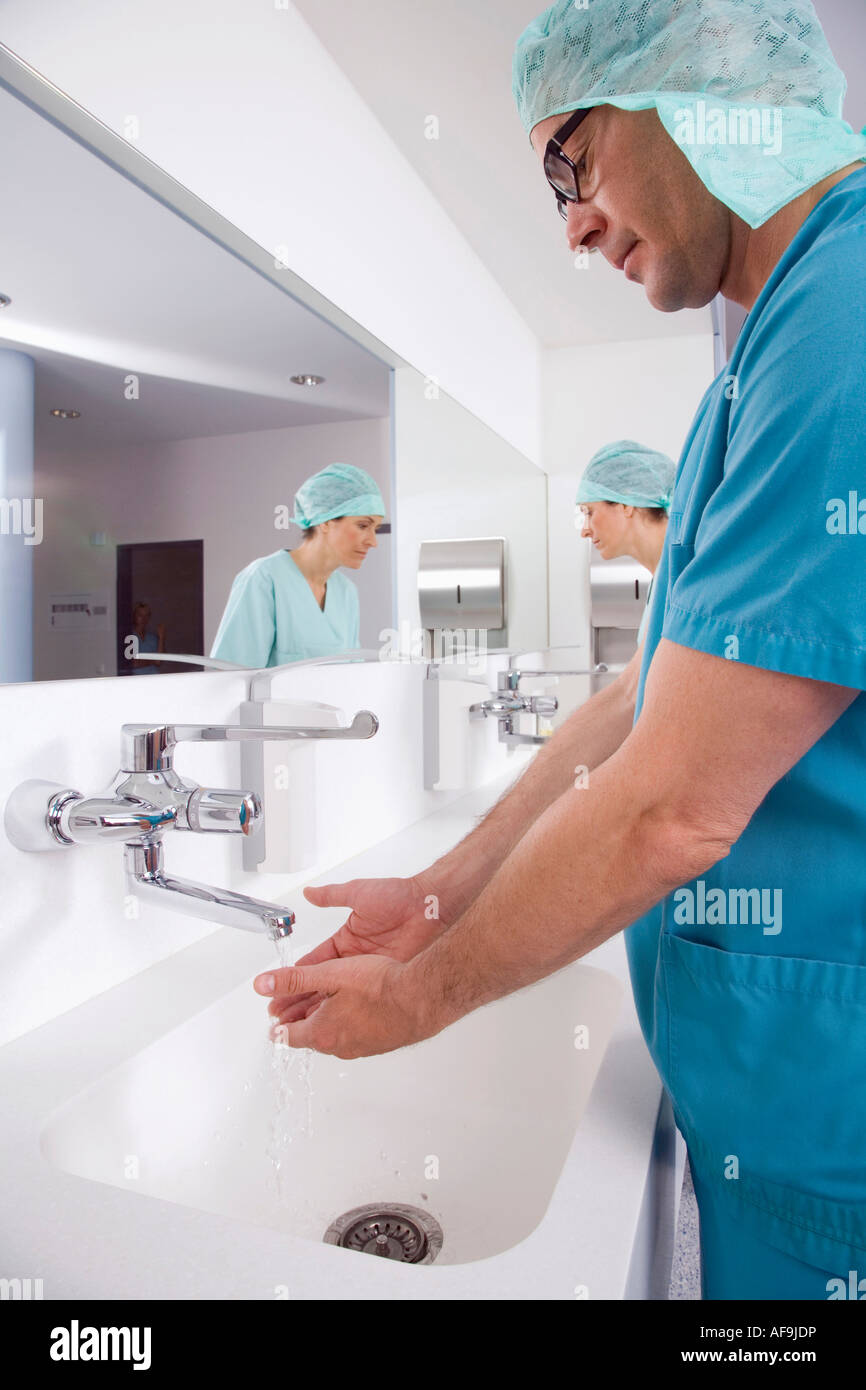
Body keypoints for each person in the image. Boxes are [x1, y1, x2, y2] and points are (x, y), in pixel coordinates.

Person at [252, 0, 866, 1299]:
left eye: (565, 164)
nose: (571, 225)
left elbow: (672, 807)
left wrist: (428, 997)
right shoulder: (752, 373)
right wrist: (444, 891)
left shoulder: (846, 318)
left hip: (834, 1144)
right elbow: (629, 710)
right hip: (781, 1108)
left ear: (696, 85)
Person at [209, 463, 385, 667]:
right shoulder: (265, 579)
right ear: (325, 521)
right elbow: (231, 677)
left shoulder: (347, 592)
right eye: (363, 526)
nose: (373, 541)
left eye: (376, 529)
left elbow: (352, 674)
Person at [575, 440, 676, 646]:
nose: (584, 530)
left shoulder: (681, 581)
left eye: (589, 512)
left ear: (626, 503)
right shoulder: (662, 581)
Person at [128, 602, 165, 674]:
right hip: (136, 678)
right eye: (140, 615)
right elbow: (133, 663)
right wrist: (153, 661)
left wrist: (161, 638)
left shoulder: (152, 638)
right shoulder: (129, 636)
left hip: (154, 677)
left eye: (146, 615)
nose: (144, 619)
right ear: (134, 616)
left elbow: (159, 662)